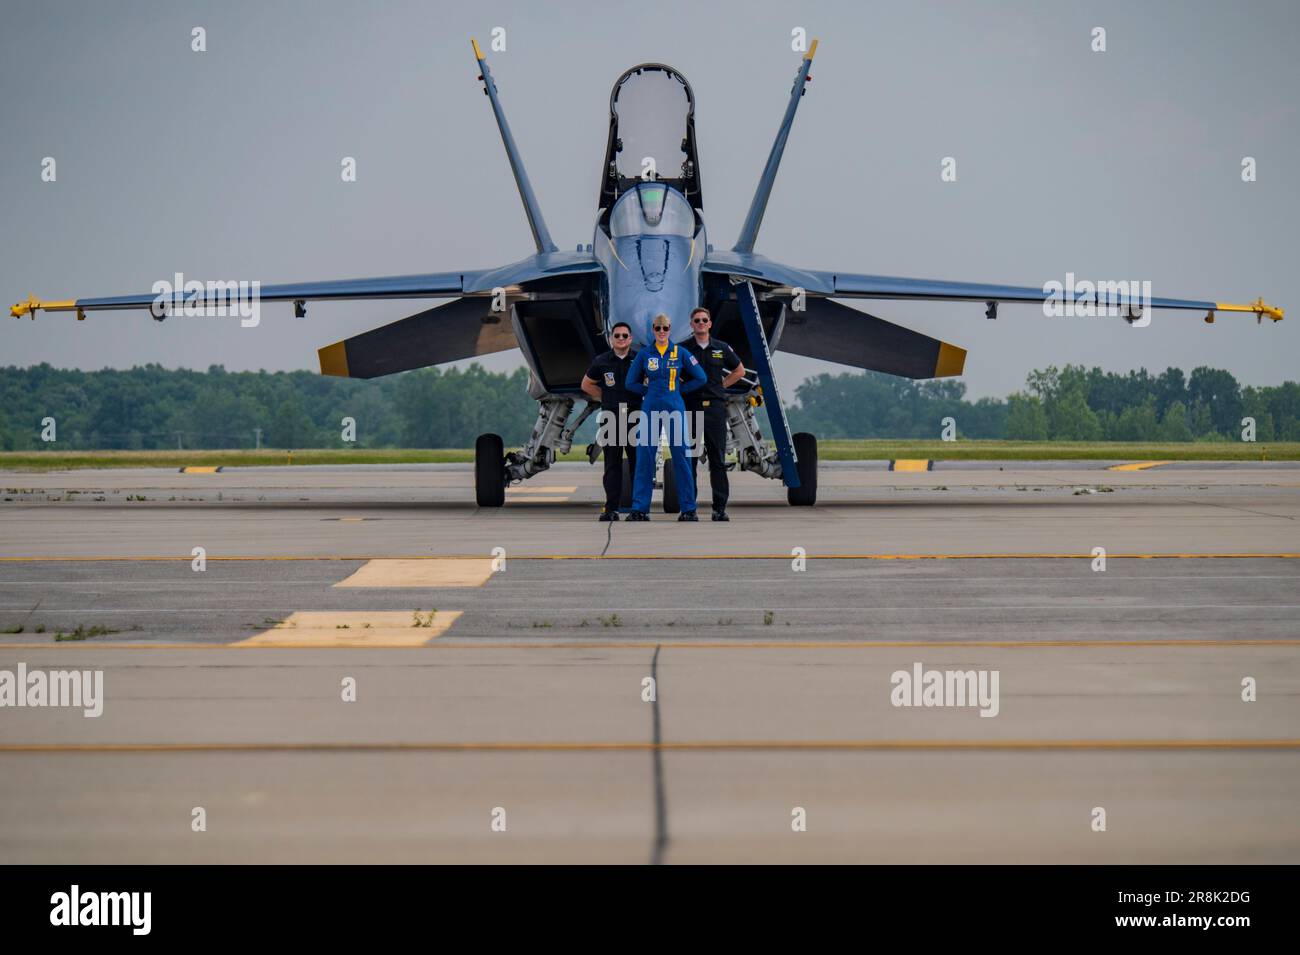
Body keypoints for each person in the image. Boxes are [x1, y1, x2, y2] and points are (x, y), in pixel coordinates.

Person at [624, 313, 706, 521]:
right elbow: (629, 383)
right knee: (645, 457)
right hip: (650, 407)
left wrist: (679, 390)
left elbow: (701, 377)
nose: (662, 332)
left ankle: (688, 509)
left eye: (665, 328)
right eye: (658, 328)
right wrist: (647, 392)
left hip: (674, 407)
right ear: (653, 330)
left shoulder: (680, 353)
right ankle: (640, 509)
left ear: (671, 329)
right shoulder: (645, 354)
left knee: (682, 457)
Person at [681, 306, 746, 521]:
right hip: (691, 408)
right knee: (689, 459)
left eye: (704, 320)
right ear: (691, 325)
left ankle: (719, 508)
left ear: (709, 324)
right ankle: (689, 509)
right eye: (697, 320)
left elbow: (740, 370)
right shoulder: (683, 349)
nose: (700, 323)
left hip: (715, 409)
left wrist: (721, 386)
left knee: (717, 460)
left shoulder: (721, 348)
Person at [581, 322, 641, 520]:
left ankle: (638, 509)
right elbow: (586, 384)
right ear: (611, 338)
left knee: (637, 463)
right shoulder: (601, 361)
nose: (621, 338)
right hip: (612, 417)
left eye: (625, 335)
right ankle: (611, 508)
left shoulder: (639, 359)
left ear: (630, 339)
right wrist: (605, 397)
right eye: (617, 335)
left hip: (635, 416)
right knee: (612, 464)